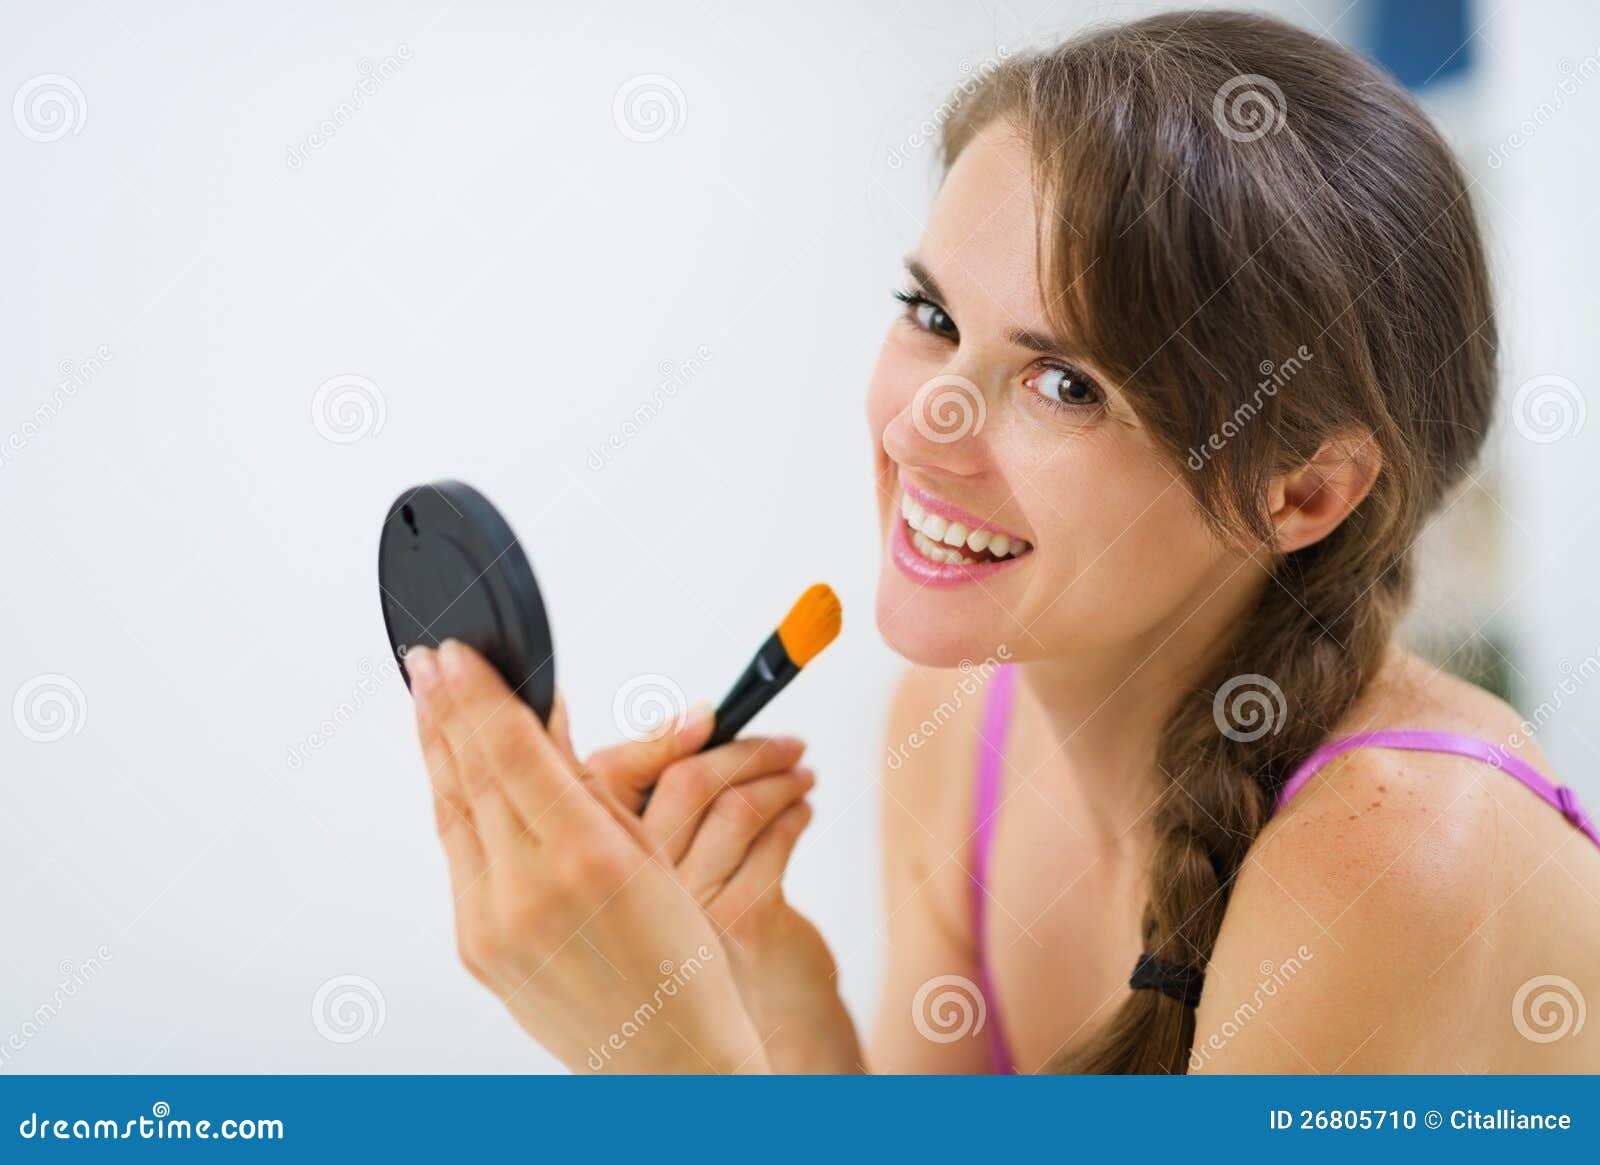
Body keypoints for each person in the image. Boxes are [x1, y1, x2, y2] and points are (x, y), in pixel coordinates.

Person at [403, 10, 1600, 1073]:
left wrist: (668, 1063)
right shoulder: (954, 729)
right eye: (931, 316)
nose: (917, 429)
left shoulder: (1394, 865)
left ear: (1301, 492)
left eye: (1064, 383)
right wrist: (766, 978)